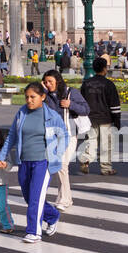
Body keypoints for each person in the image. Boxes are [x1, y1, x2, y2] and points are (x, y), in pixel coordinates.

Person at [0, 83, 68, 243]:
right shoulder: (22, 113)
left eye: (33, 97)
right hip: (24, 161)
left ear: (42, 97)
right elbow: (12, 135)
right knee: (29, 197)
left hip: (43, 162)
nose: (29, 100)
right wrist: (2, 155)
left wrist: (56, 154)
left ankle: (34, 232)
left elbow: (64, 136)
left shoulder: (51, 116)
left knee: (35, 198)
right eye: (26, 97)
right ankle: (53, 215)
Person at [40, 69, 88, 207]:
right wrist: (41, 90)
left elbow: (86, 109)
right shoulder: (45, 96)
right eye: (45, 82)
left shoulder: (71, 92)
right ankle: (65, 198)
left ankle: (65, 200)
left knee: (62, 165)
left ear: (58, 81)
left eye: (50, 81)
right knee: (58, 166)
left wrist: (71, 105)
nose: (48, 84)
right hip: (52, 135)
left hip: (69, 133)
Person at [78, 57, 121, 175]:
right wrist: (117, 121)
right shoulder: (108, 84)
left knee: (91, 141)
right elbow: (114, 105)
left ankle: (86, 159)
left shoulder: (86, 84)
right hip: (105, 118)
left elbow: (81, 102)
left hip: (90, 118)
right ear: (104, 69)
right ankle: (106, 168)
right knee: (106, 144)